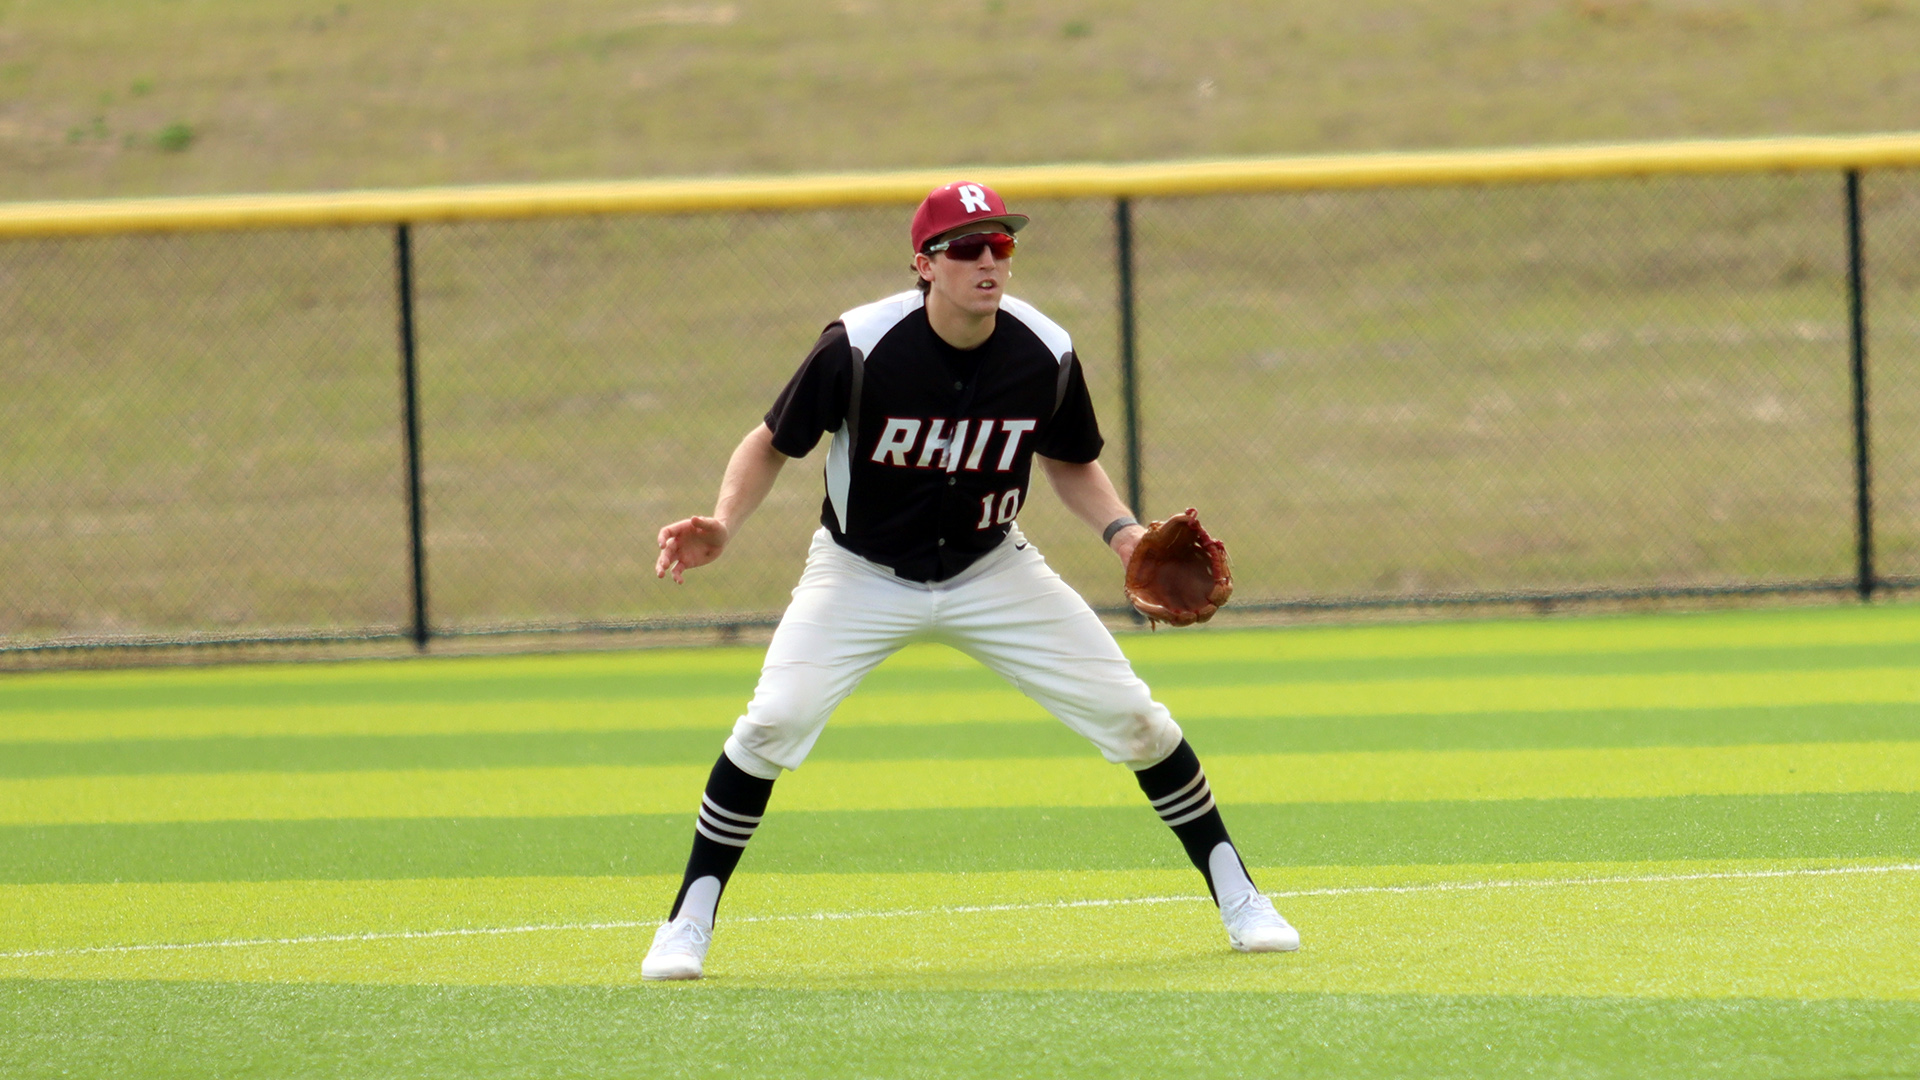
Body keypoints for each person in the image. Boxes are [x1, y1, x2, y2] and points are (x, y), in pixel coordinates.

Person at [642, 181, 1298, 980]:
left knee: (1136, 720)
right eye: (967, 247)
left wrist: (1125, 536)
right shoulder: (858, 344)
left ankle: (1242, 898)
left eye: (1002, 246)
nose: (989, 260)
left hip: (994, 567)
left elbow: (1071, 461)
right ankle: (687, 922)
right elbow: (772, 441)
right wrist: (721, 523)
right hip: (859, 572)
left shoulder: (1044, 351)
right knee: (771, 724)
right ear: (925, 263)